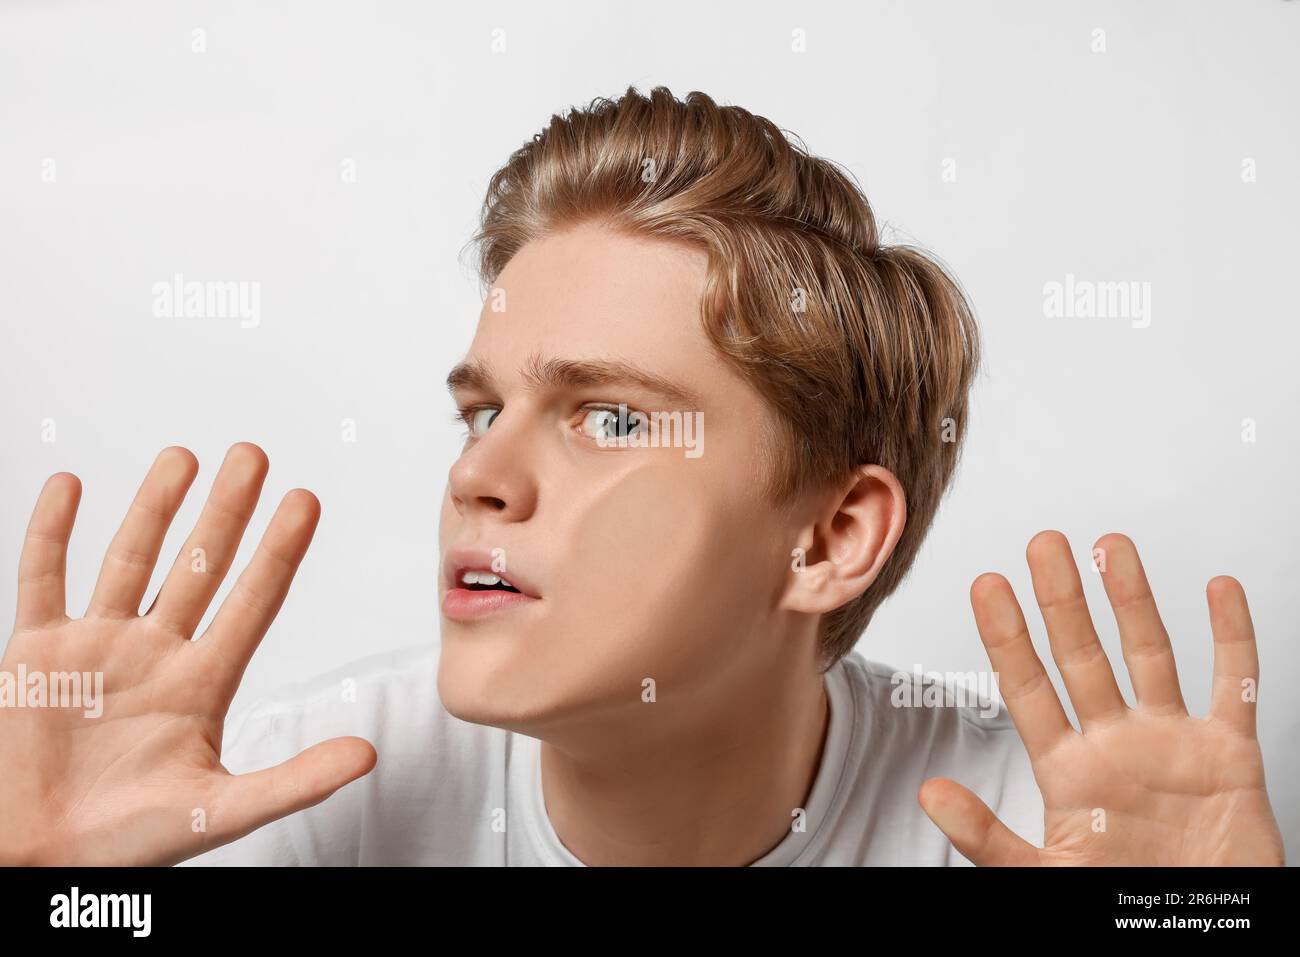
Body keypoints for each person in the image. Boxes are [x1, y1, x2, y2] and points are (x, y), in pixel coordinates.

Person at [0, 87, 1284, 866]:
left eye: (608, 419)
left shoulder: (1043, 822)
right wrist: (54, 890)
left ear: (831, 537)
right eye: (481, 410)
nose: (481, 478)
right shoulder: (289, 798)